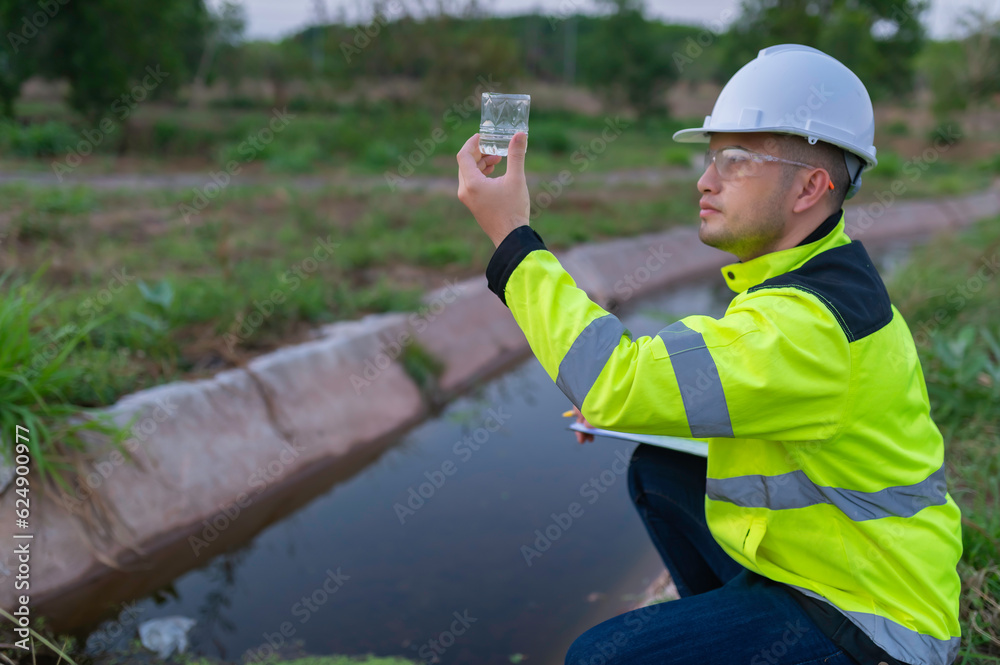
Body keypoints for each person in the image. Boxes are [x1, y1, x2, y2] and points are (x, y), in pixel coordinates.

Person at [456, 44, 963, 665]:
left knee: (600, 658)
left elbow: (619, 381)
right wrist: (646, 410)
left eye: (735, 160)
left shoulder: (806, 324)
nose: (705, 179)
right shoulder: (807, 278)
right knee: (659, 472)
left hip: (873, 623)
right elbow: (742, 389)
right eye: (709, 155)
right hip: (817, 565)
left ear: (810, 187)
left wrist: (512, 241)